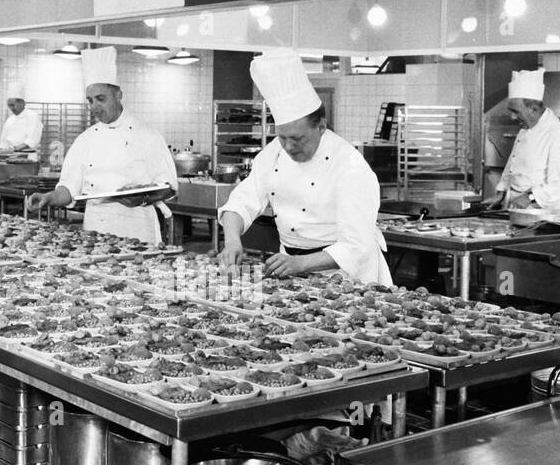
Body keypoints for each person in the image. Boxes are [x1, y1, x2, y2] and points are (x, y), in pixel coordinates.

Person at [216, 49, 391, 286]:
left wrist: (301, 264)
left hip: (346, 275)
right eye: (282, 137)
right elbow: (240, 203)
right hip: (291, 269)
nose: (289, 146)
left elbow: (357, 246)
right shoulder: (274, 153)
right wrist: (232, 241)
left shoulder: (350, 166)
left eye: (297, 139)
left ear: (321, 127)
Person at [25, 47, 178, 244]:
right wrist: (49, 197)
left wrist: (143, 197)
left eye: (100, 99)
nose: (94, 107)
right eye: (90, 100)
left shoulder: (147, 135)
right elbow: (69, 188)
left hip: (136, 227)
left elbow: (169, 187)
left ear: (118, 95)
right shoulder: (86, 139)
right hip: (95, 227)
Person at [486, 68, 560, 223]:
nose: (512, 117)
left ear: (533, 108)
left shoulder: (556, 134)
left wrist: (530, 197)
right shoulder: (526, 129)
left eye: (516, 111)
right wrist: (502, 192)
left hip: (552, 214)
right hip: (525, 210)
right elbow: (513, 163)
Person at [0, 82, 43, 153]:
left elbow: (32, 140)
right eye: (9, 105)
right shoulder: (10, 120)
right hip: (10, 154)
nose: (11, 108)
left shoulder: (32, 116)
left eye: (13, 105)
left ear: (22, 103)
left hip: (27, 155)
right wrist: (2, 149)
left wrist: (14, 149)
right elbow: (3, 140)